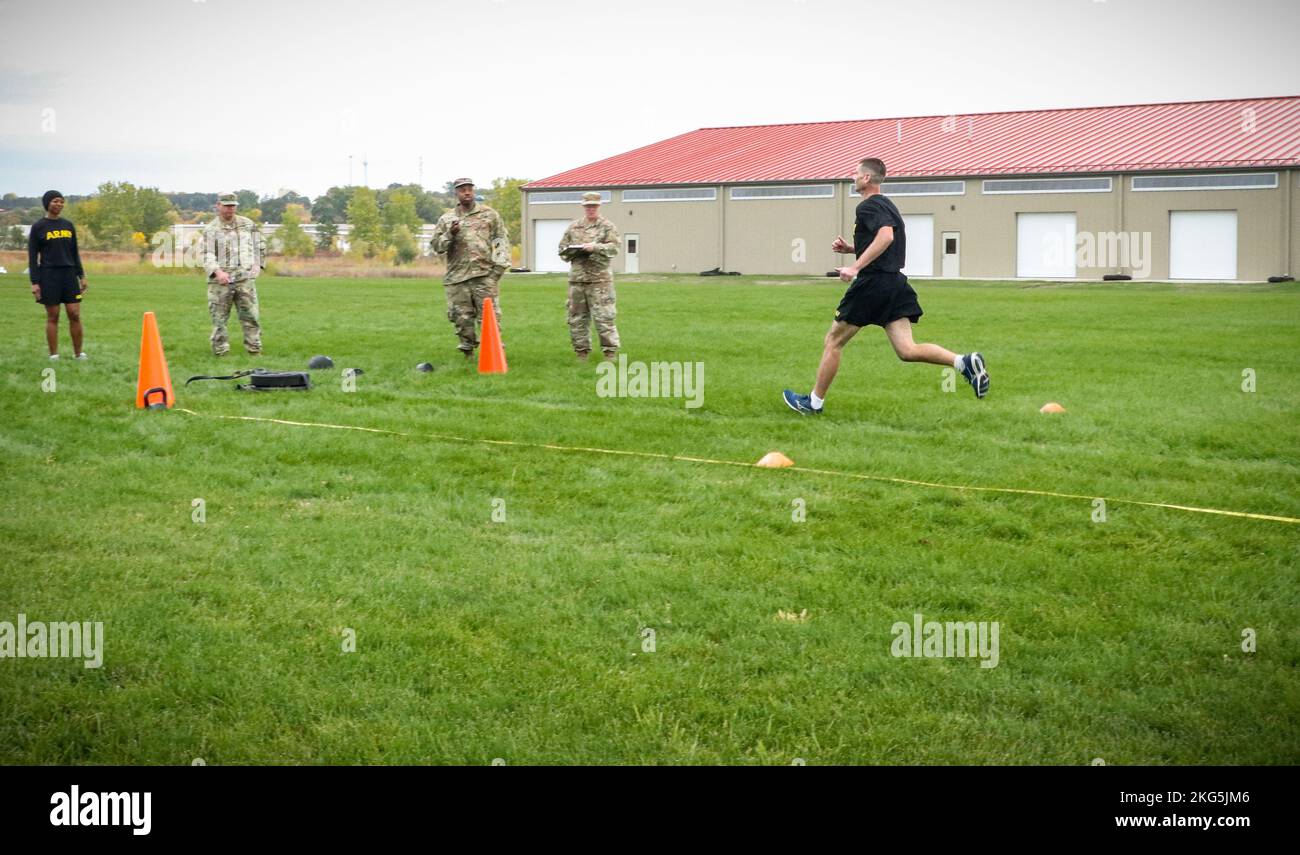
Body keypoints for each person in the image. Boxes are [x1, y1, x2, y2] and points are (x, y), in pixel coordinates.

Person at [783, 158, 988, 415]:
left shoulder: (868, 207)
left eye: (857, 173)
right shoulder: (887, 205)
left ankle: (813, 403)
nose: (853, 176)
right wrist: (851, 249)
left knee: (833, 341)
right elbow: (883, 240)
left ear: (867, 178)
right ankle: (963, 363)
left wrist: (855, 267)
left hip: (873, 284)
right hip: (895, 284)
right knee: (907, 350)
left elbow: (886, 236)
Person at [429, 178, 511, 358]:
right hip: (457, 277)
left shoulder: (489, 215)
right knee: (462, 318)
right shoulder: (447, 219)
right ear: (456, 194)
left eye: (469, 189)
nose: (466, 193)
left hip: (484, 275)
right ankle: (468, 353)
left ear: (473, 192)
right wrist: (451, 233)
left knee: (489, 317)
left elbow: (500, 242)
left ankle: (493, 353)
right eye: (462, 190)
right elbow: (437, 246)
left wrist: (498, 270)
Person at [201, 192, 266, 356]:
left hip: (245, 280)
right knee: (219, 319)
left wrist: (258, 264)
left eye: (233, 205)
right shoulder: (211, 229)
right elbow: (206, 254)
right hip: (221, 282)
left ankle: (254, 350)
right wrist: (218, 272)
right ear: (218, 205)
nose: (230, 209)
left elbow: (260, 244)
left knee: (251, 316)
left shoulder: (247, 224)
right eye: (227, 205)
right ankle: (221, 351)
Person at [559, 192, 620, 360]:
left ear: (598, 206)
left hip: (600, 280)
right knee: (577, 318)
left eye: (593, 206)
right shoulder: (574, 227)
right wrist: (572, 251)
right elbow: (561, 250)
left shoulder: (607, 226)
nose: (590, 209)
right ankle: (581, 352)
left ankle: (610, 353)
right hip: (578, 280)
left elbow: (614, 248)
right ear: (583, 207)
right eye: (588, 206)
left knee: (604, 316)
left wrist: (596, 247)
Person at [28, 190, 87, 360]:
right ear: (47, 204)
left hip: (69, 275)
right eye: (55, 201)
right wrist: (35, 282)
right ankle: (54, 355)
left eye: (61, 201)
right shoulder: (39, 227)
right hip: (49, 276)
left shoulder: (68, 225)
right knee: (53, 316)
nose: (59, 204)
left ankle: (78, 354)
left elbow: (75, 253)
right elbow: (33, 257)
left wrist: (81, 275)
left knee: (74, 314)